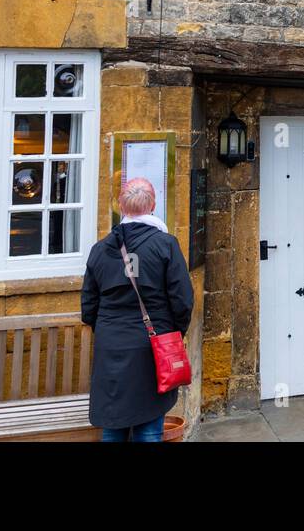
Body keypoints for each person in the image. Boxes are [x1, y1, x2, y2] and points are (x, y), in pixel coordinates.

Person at [81, 177, 194, 442]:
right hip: (151, 343)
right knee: (149, 425)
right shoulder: (165, 245)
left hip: (111, 343)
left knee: (113, 422)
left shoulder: (100, 250)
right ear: (153, 205)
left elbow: (88, 306)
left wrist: (109, 329)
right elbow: (183, 300)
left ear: (121, 205)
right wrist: (174, 333)